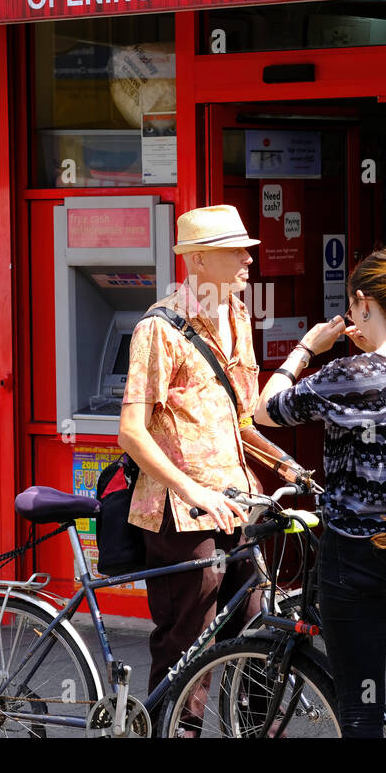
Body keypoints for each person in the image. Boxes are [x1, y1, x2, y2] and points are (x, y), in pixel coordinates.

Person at [254, 242, 386, 738]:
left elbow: (263, 410)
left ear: (362, 304)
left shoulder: (351, 376)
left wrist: (307, 348)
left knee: (362, 706)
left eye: (352, 308)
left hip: (358, 555)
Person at [117, 204, 265, 699]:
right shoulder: (159, 329)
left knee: (257, 637)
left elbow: (240, 417)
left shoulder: (241, 316)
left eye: (247, 249)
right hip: (181, 515)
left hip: (238, 504)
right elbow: (131, 433)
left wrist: (289, 466)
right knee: (189, 647)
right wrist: (194, 492)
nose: (248, 259)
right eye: (235, 251)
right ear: (198, 261)